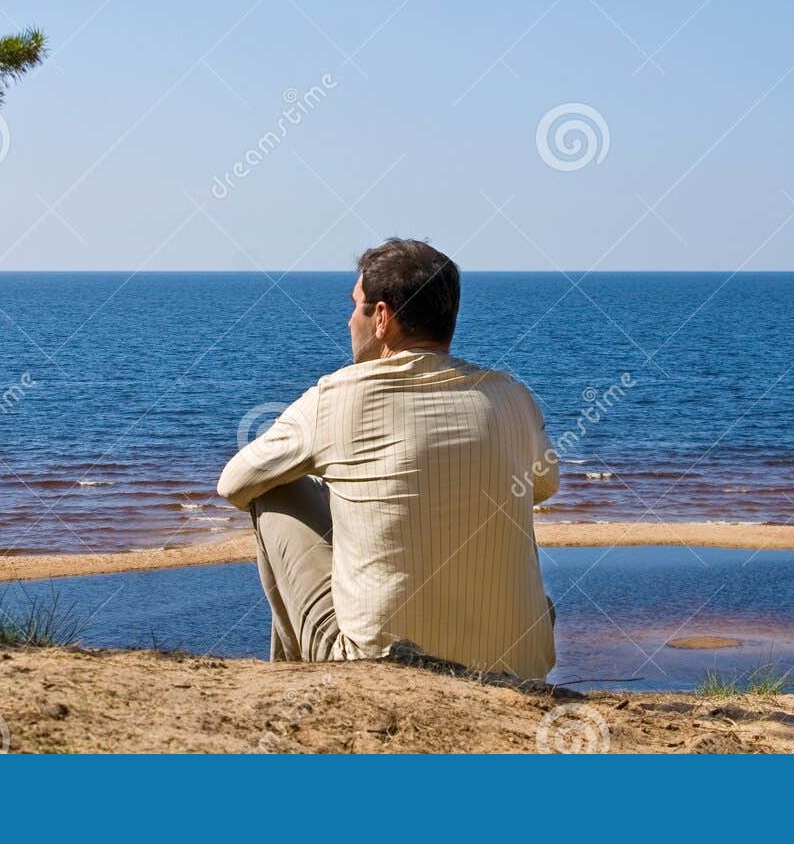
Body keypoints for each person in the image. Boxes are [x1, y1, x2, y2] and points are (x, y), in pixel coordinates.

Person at [217, 238, 558, 680]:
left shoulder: (337, 397)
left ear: (382, 318)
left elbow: (235, 482)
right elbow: (545, 485)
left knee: (277, 488)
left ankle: (293, 683)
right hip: (518, 666)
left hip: (382, 669)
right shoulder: (511, 395)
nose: (347, 320)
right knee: (503, 490)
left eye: (355, 306)